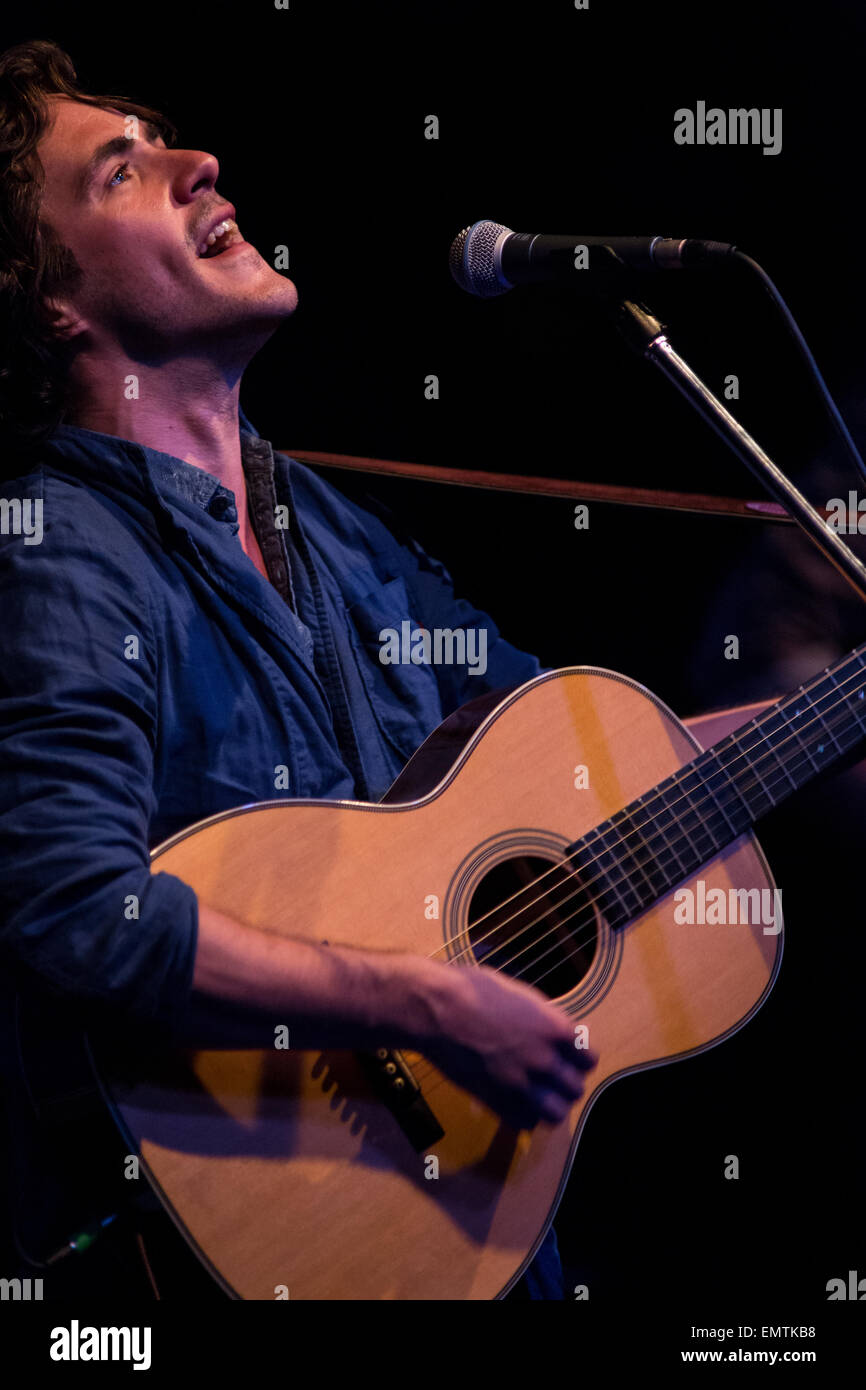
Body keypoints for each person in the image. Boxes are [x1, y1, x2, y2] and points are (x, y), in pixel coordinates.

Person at [0, 40, 596, 1300]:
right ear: (45, 295)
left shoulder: (315, 516)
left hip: (463, 1224)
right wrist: (421, 1008)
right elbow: (71, 913)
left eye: (159, 136)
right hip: (239, 1245)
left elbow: (572, 749)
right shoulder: (56, 555)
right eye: (121, 171)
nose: (196, 160)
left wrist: (808, 717)